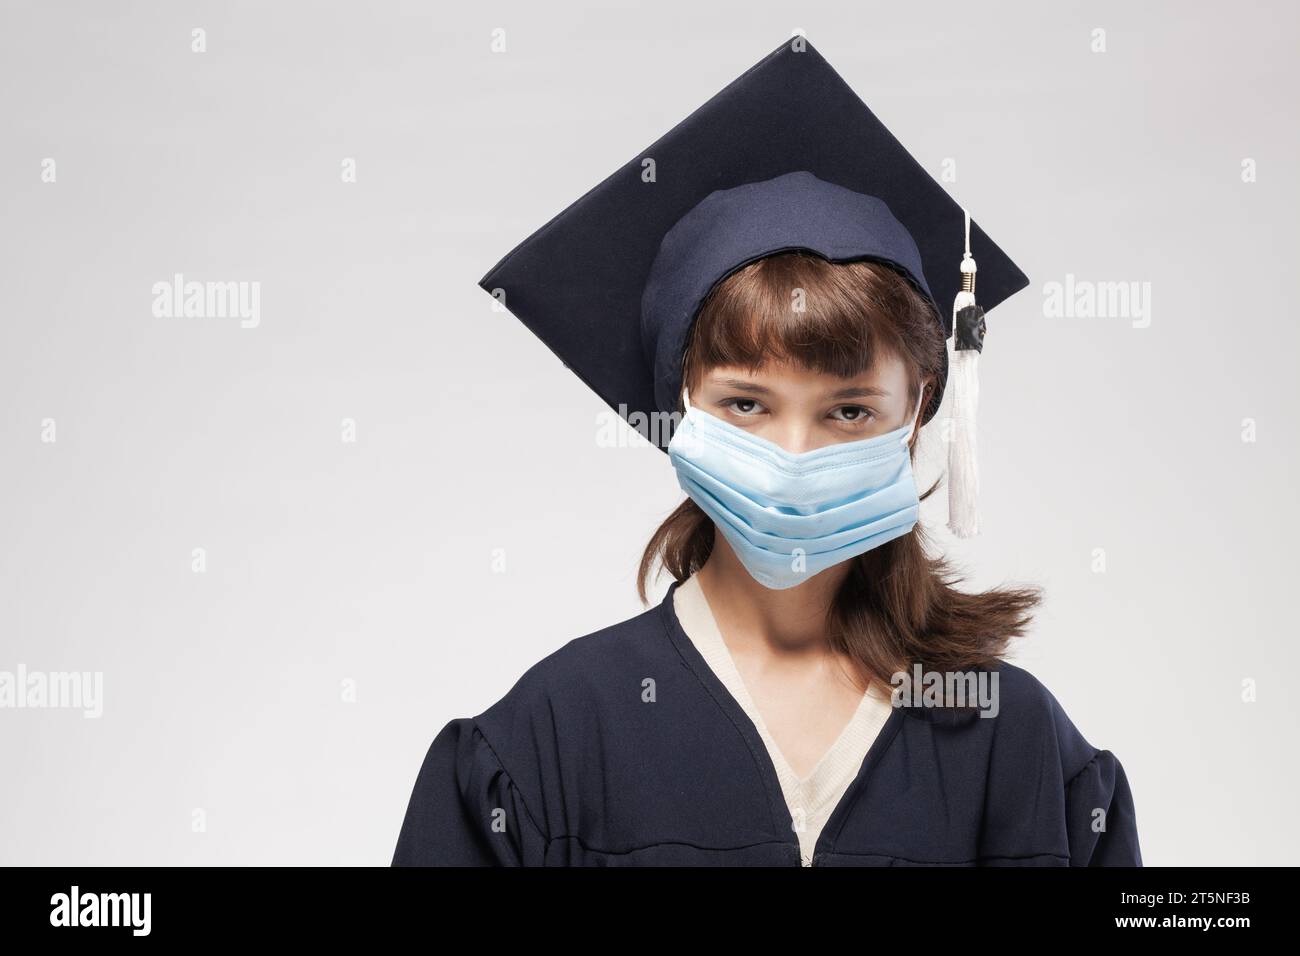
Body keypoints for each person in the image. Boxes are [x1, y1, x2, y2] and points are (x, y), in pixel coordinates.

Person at [392, 37, 1142, 867]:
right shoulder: (551, 740)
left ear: (921, 409)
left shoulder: (1017, 746)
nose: (793, 453)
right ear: (681, 407)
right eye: (745, 403)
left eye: (849, 410)